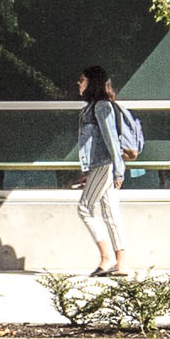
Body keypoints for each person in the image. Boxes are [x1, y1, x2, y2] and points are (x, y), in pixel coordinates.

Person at [63, 65, 145, 286]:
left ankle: (107, 258)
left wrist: (119, 170)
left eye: (82, 80)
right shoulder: (93, 107)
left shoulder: (101, 107)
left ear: (93, 82)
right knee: (110, 212)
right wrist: (87, 172)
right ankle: (122, 264)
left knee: (85, 207)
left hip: (106, 165)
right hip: (100, 165)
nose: (79, 84)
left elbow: (111, 141)